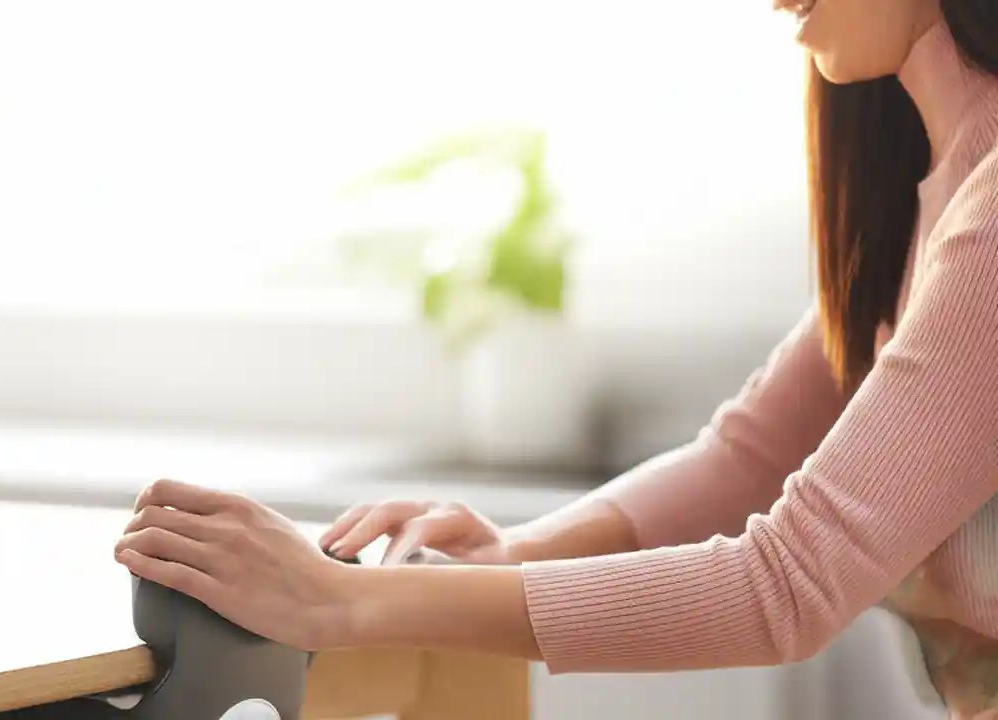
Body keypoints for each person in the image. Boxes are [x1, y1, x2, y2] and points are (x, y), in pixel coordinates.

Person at [117, 0, 998, 715]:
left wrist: (338, 600)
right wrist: (519, 555)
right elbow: (750, 458)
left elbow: (790, 583)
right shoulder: (938, 189)